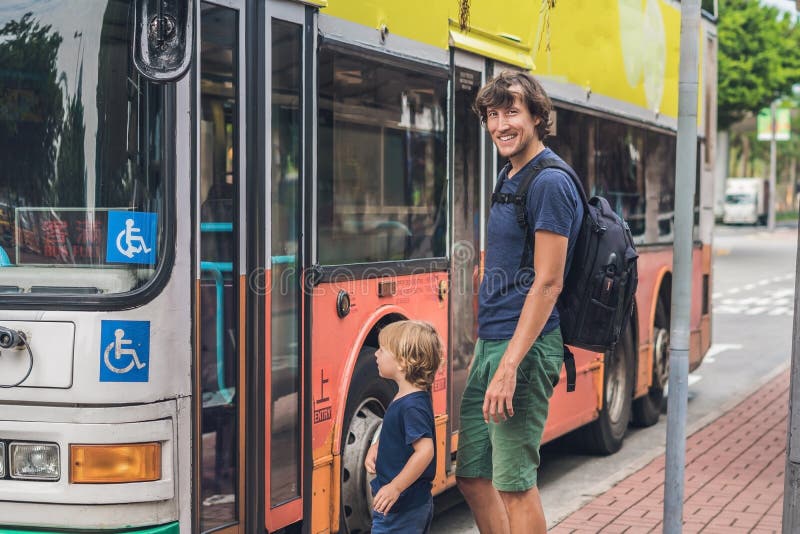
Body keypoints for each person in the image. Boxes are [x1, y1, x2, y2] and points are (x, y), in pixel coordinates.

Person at [455, 70, 584, 534]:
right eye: (493, 114)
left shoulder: (549, 182)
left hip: (522, 349)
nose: (500, 124)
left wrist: (510, 366)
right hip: (494, 342)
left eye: (511, 112)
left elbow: (549, 282)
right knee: (472, 473)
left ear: (535, 117)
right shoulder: (510, 173)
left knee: (513, 484)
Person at [363, 320, 442, 533]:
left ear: (402, 362)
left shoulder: (411, 406)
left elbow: (425, 451)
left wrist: (395, 487)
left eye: (382, 350)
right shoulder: (407, 396)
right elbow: (400, 434)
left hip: (401, 509)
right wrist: (378, 446)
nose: (376, 354)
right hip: (405, 505)